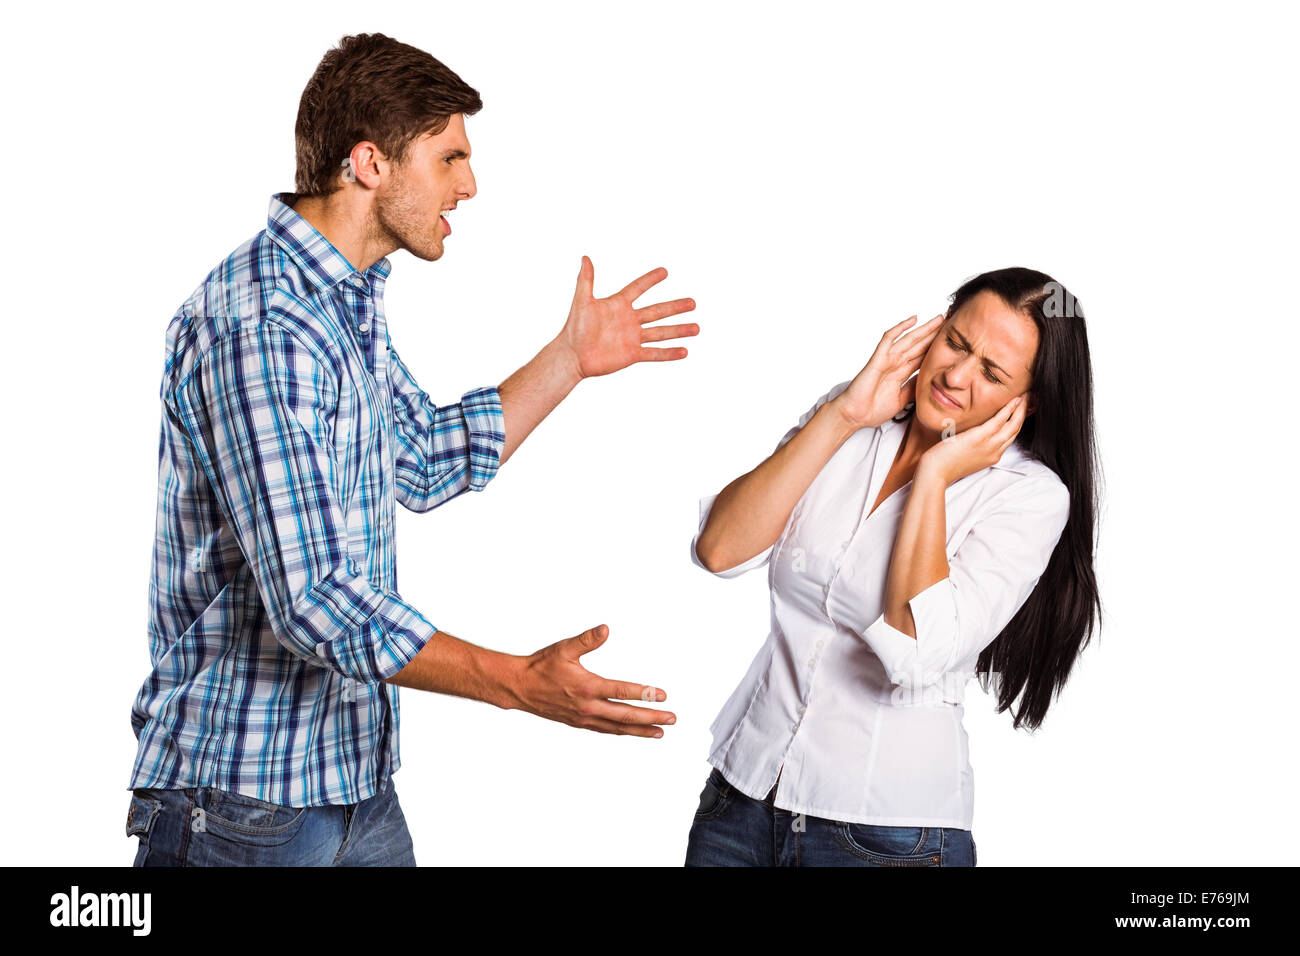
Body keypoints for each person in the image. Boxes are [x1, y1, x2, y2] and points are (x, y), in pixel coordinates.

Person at [124, 32, 698, 867]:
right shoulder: (261, 325)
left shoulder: (340, 303)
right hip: (243, 806)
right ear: (370, 164)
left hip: (352, 784)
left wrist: (569, 359)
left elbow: (423, 457)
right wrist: (517, 683)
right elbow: (313, 600)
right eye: (449, 157)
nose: (469, 184)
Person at [684, 267, 1100, 866]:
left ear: (1027, 404)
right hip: (741, 797)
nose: (956, 375)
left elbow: (915, 652)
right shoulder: (853, 416)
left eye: (992, 372)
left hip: (886, 836)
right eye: (956, 342)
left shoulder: (1029, 496)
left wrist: (934, 475)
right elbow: (720, 549)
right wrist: (844, 414)